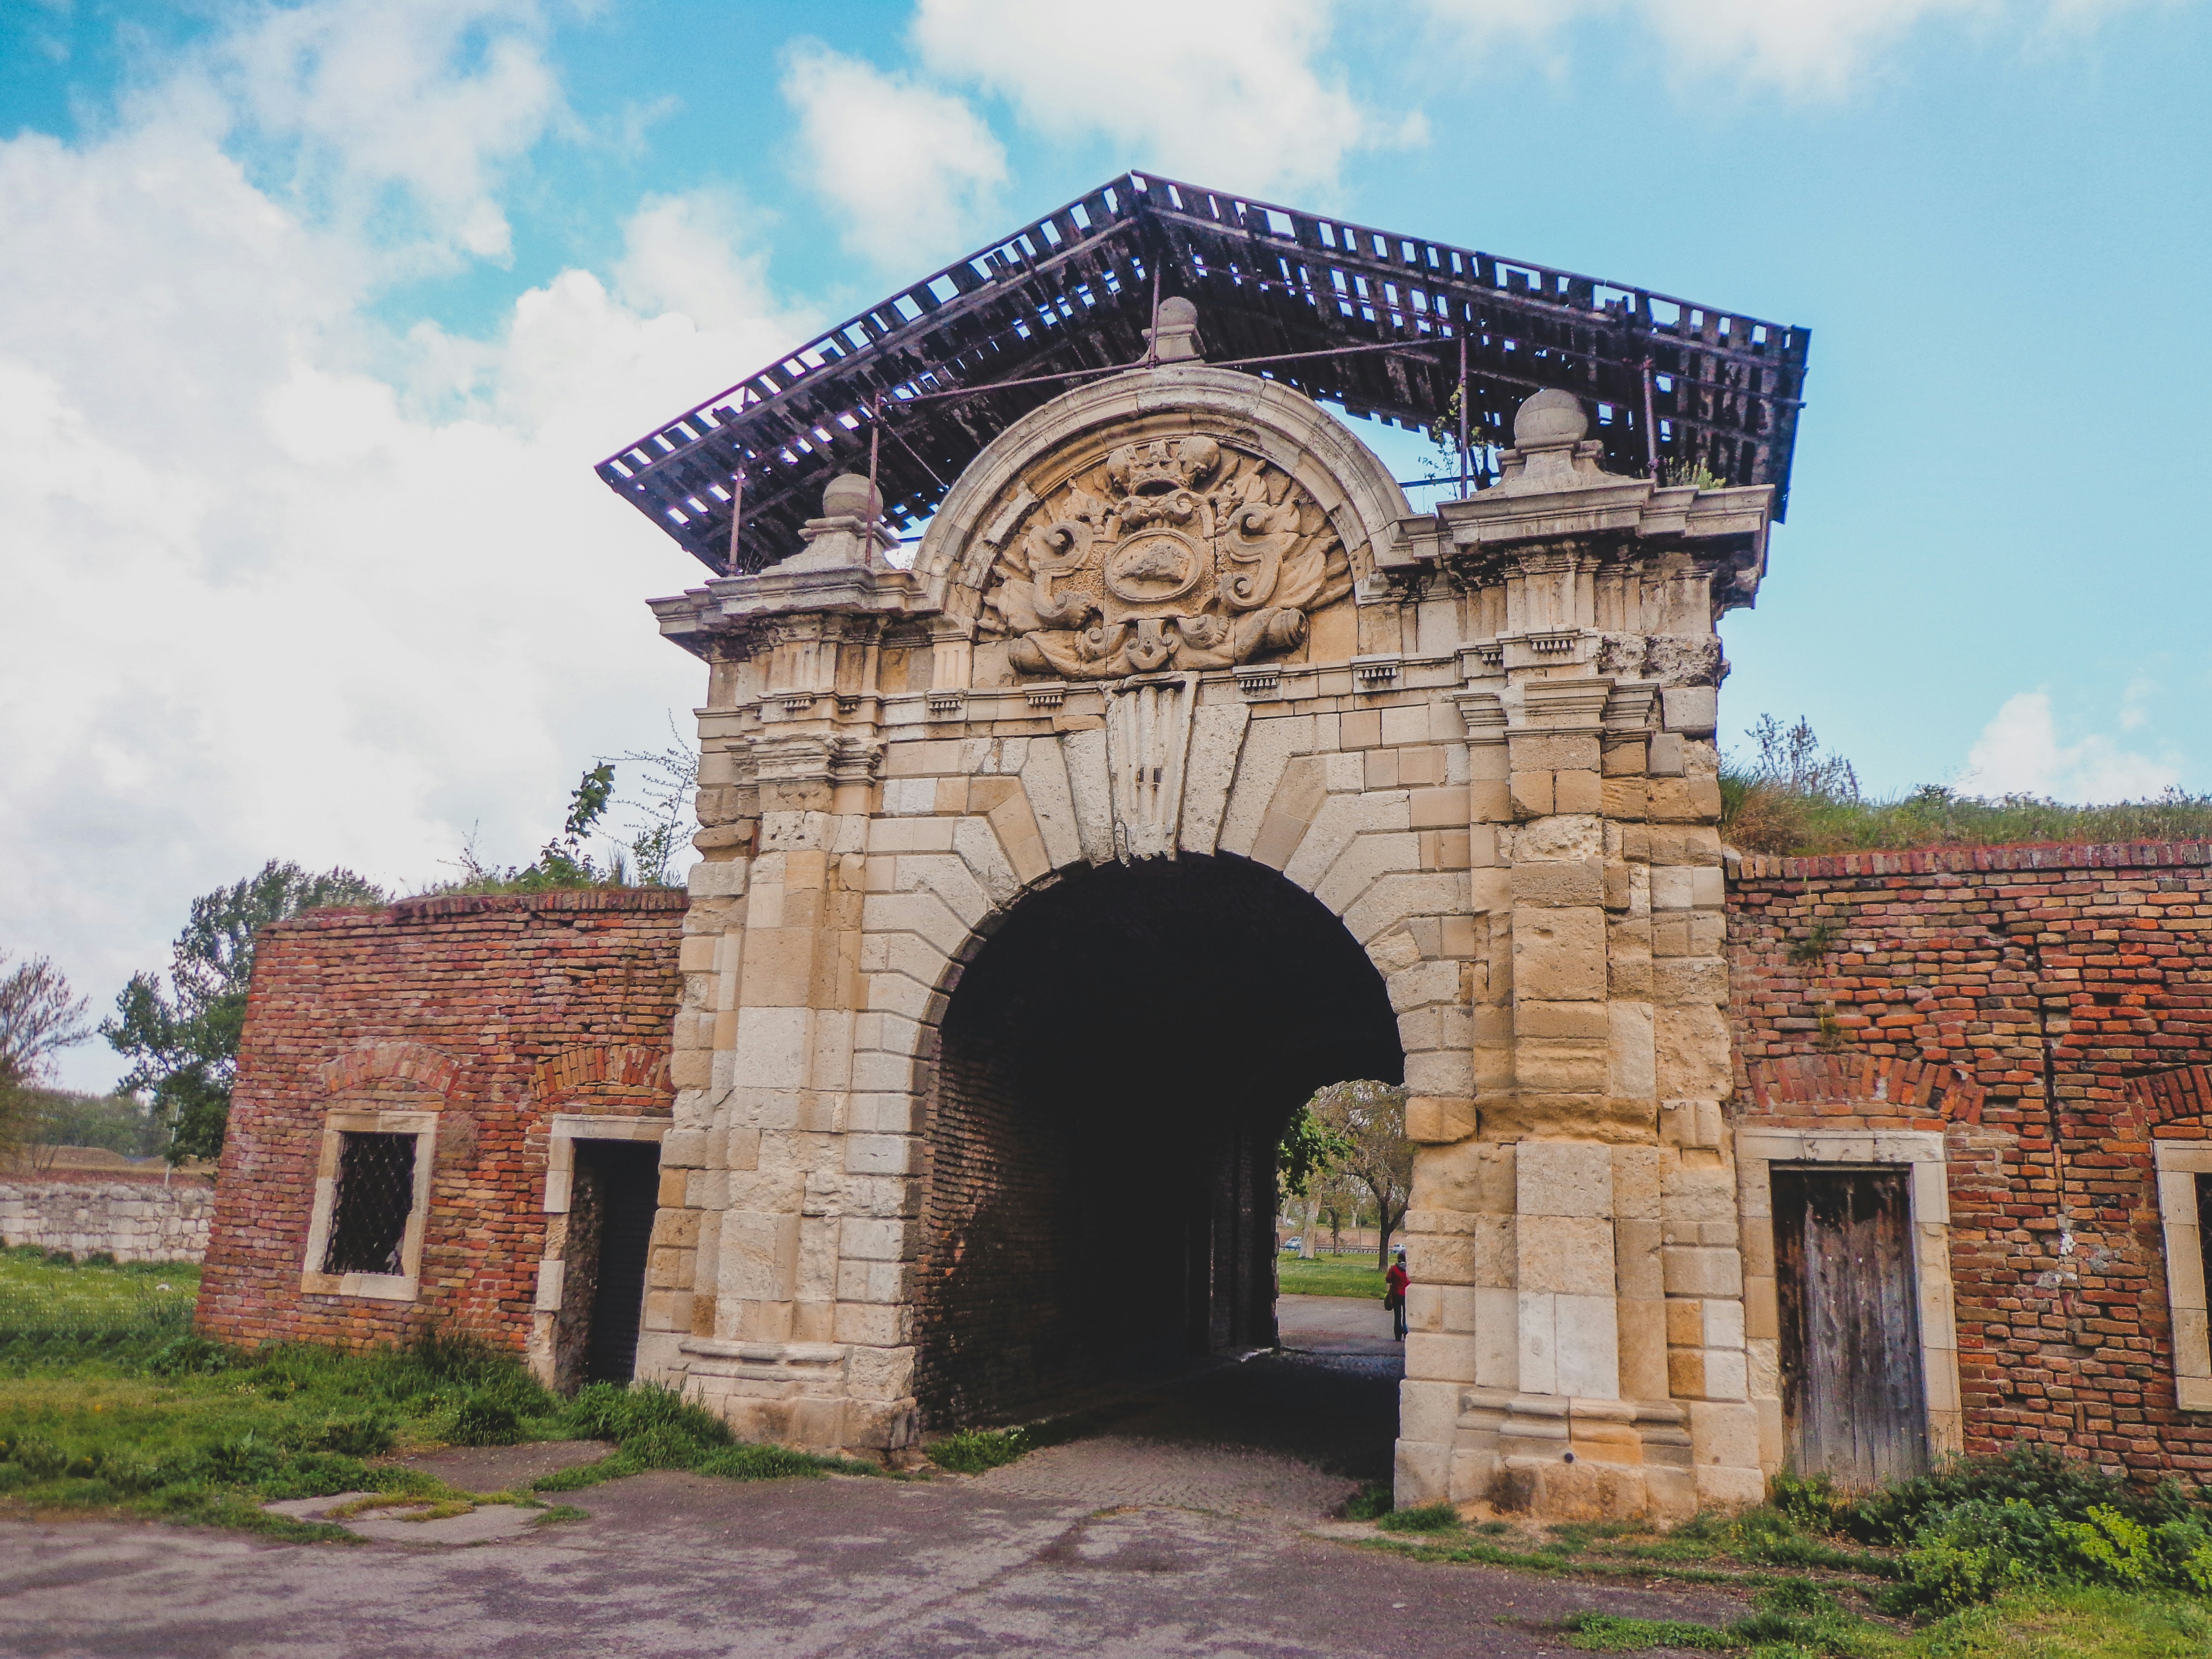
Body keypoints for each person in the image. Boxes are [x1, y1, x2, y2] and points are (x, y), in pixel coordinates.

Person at [1383, 1249, 1410, 1341]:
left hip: (1396, 1294)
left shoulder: (1394, 1268)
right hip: (1407, 1295)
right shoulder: (1409, 1269)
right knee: (1406, 1315)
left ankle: (1398, 1335)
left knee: (1397, 1316)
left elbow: (1388, 1280)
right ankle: (1406, 1332)